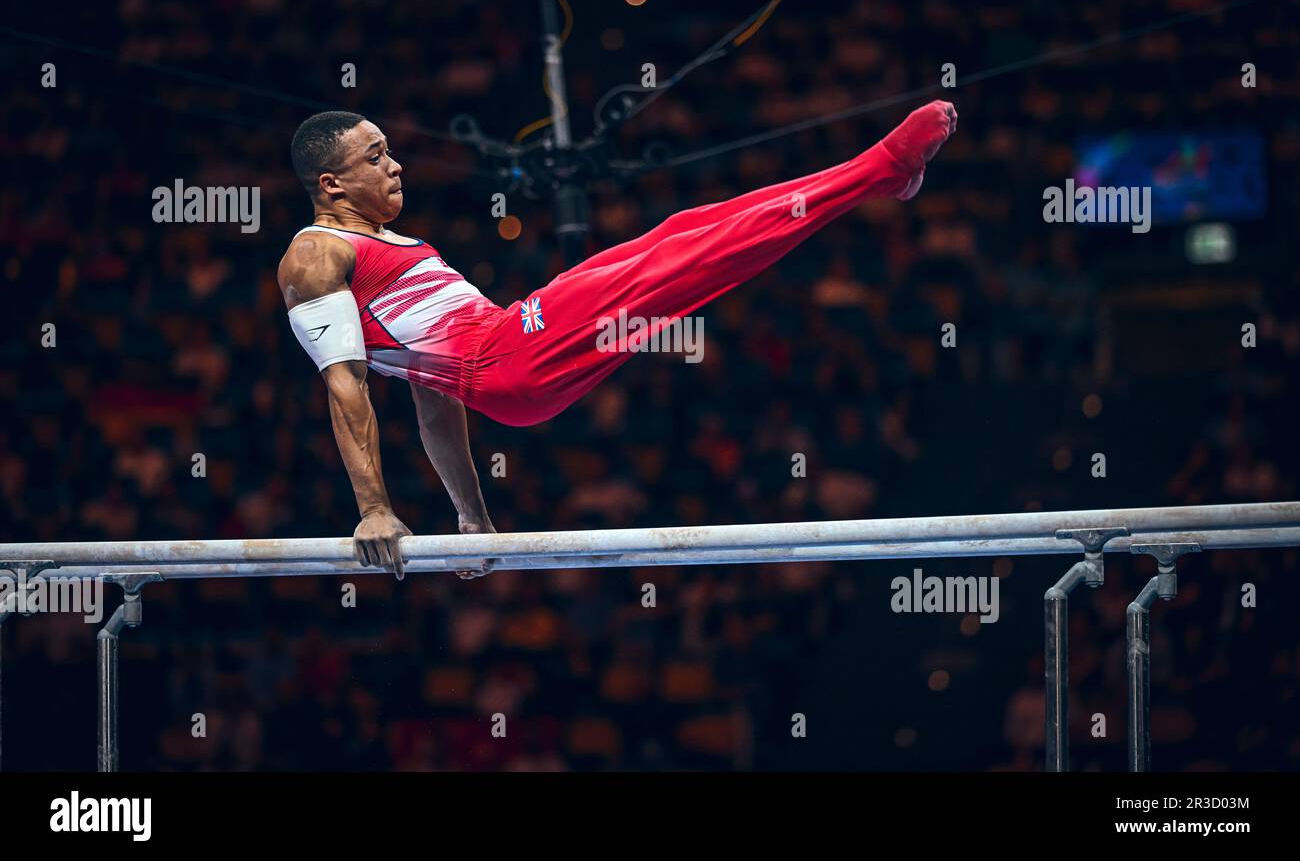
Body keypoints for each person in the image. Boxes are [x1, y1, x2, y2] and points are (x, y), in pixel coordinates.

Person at [279, 102, 958, 577]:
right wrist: (374, 511)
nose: (395, 166)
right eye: (376, 158)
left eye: (390, 152)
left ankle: (882, 174)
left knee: (682, 234)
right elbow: (346, 385)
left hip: (513, 353)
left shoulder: (396, 245)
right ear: (332, 183)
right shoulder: (314, 257)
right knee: (694, 256)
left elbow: (433, 400)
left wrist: (472, 522)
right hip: (514, 354)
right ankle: (880, 167)